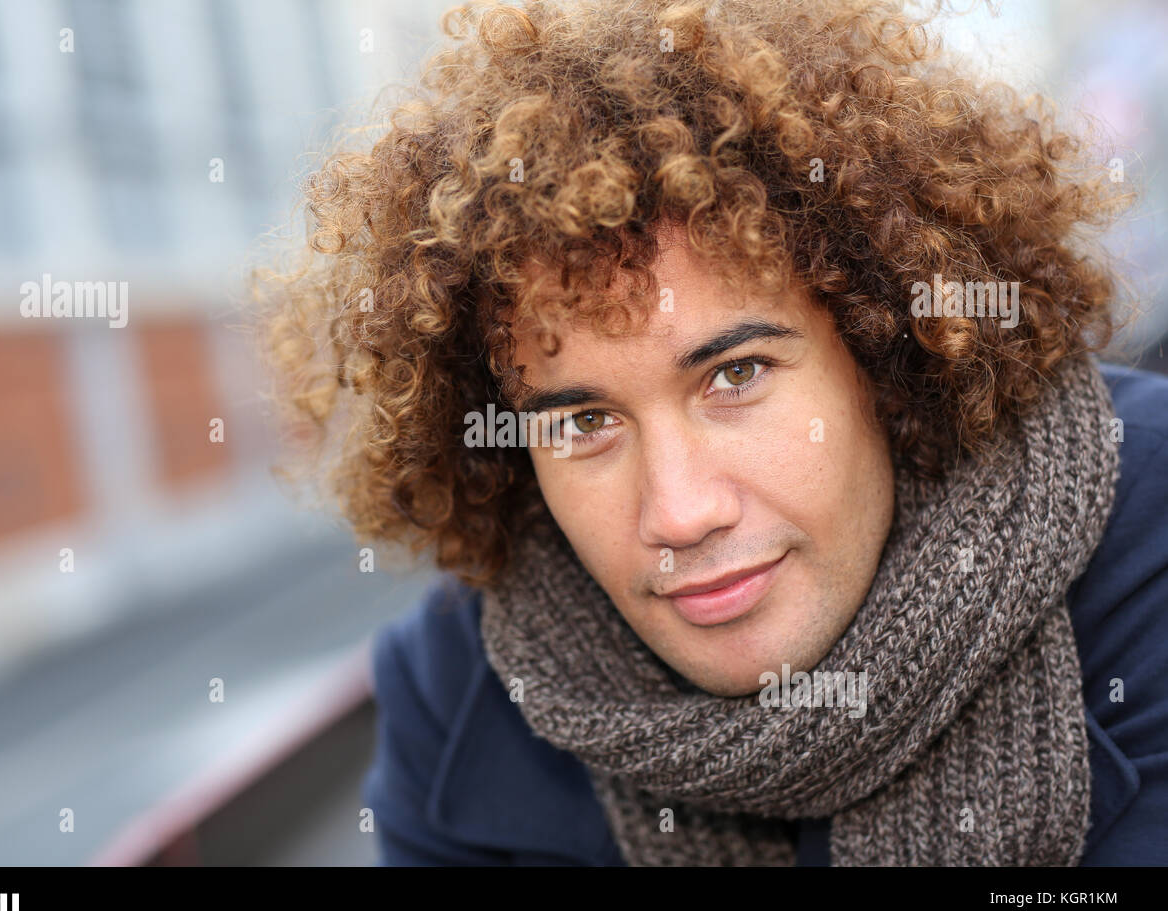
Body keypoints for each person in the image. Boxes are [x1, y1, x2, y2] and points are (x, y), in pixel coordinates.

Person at [258, 0, 1168, 865]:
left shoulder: (1148, 527)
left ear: (886, 354)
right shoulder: (451, 694)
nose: (681, 512)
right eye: (583, 421)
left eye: (735, 376)